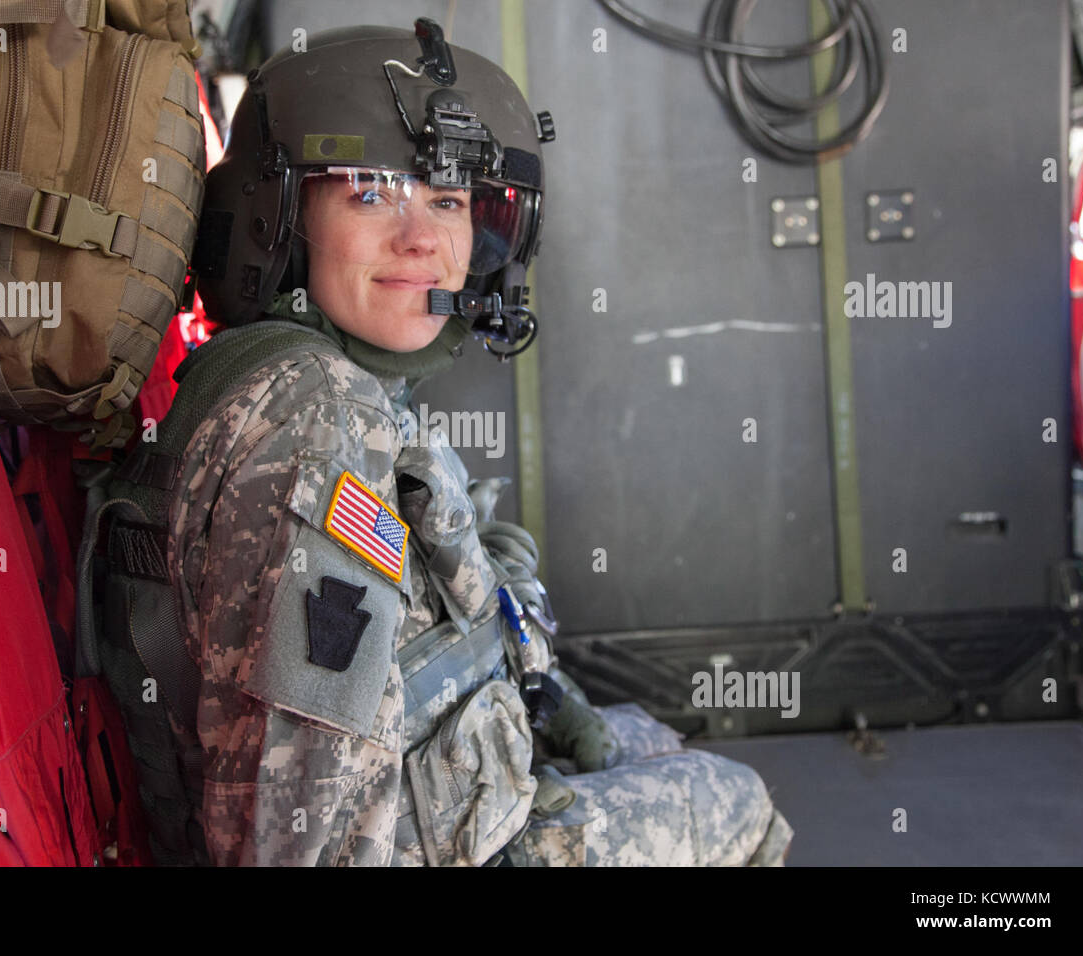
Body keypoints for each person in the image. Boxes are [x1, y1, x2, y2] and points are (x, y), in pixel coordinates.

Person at [175, 18, 793, 866]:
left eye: (449, 199)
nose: (423, 238)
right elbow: (299, 838)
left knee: (648, 737)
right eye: (369, 192)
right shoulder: (321, 420)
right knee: (743, 803)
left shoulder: (334, 387)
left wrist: (538, 695)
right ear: (276, 218)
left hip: (454, 791)